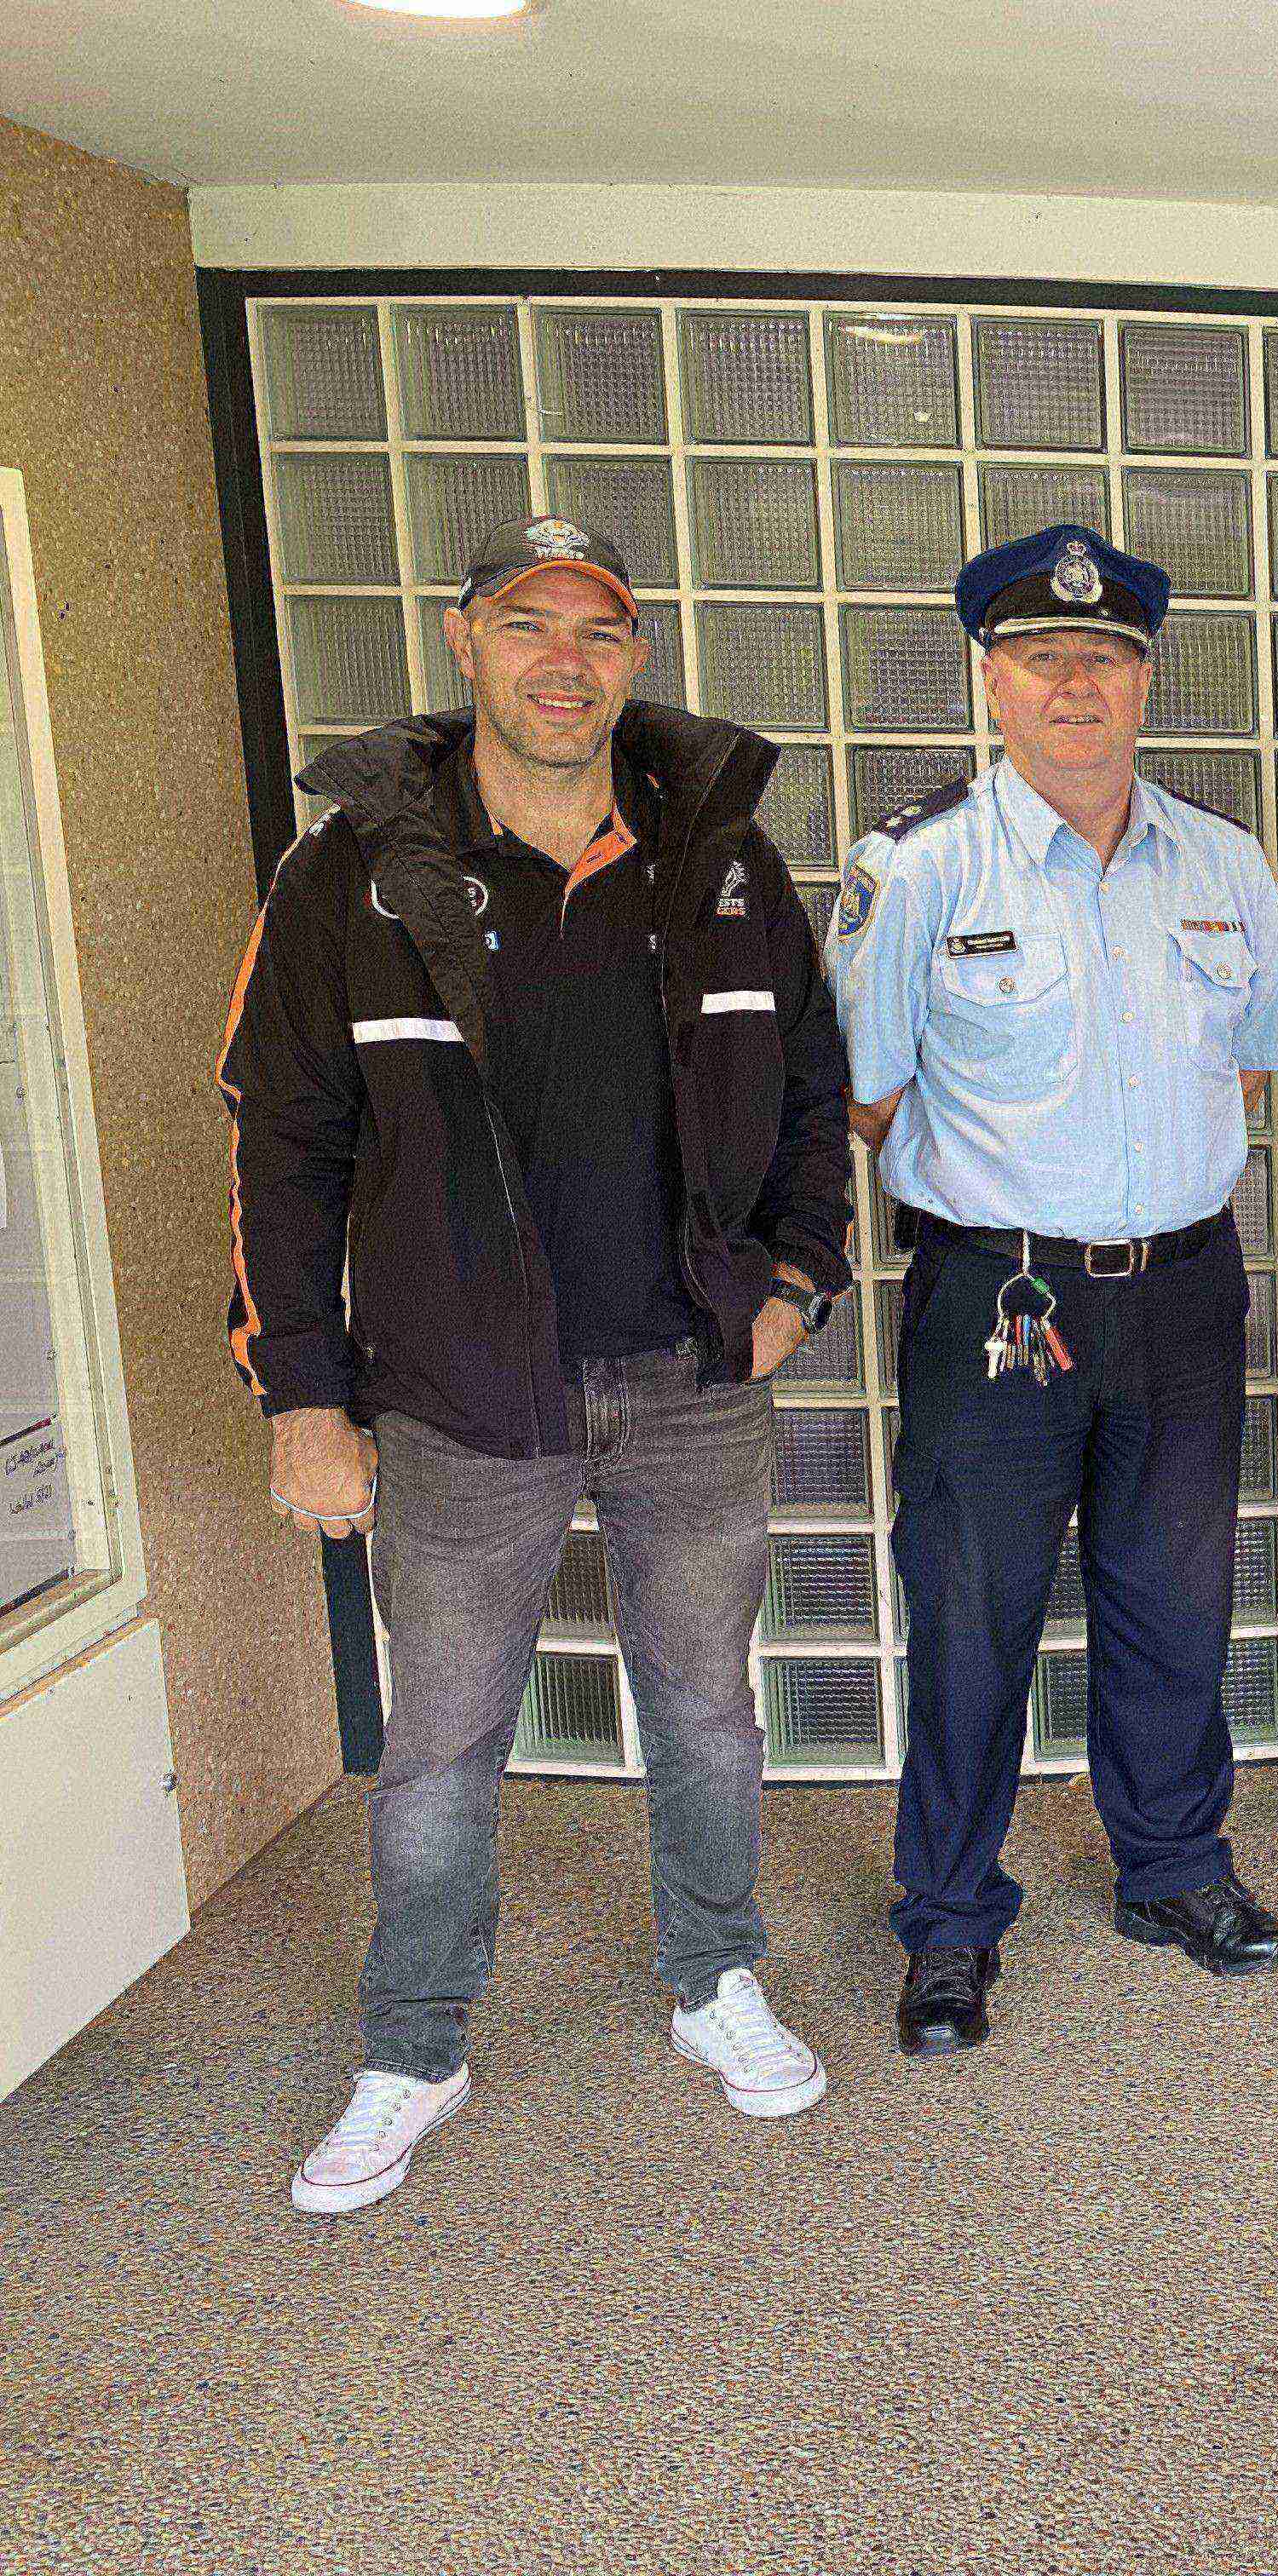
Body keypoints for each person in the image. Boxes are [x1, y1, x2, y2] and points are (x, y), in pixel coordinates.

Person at [224, 515, 853, 2214]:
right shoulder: (353, 873)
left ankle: (714, 1982)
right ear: (465, 641)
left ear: (636, 655)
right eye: (528, 623)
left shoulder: (717, 860)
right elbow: (279, 1140)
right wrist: (299, 1392)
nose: (564, 658)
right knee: (440, 1745)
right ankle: (413, 2049)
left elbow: (812, 1082)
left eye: (600, 628)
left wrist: (801, 1275)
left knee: (709, 1715)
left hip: (691, 1382)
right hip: (457, 1399)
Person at [828, 524, 1278, 2053]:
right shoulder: (912, 868)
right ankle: (951, 1922)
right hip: (999, 1300)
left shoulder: (1223, 861)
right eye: (1043, 659)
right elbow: (864, 1092)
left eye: (1103, 659)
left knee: (1172, 1600)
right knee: (971, 1613)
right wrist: (1016, 1209)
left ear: (1146, 682)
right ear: (990, 682)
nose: (1075, 686)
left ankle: (1172, 1870)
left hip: (1179, 1289)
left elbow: (1246, 1059)